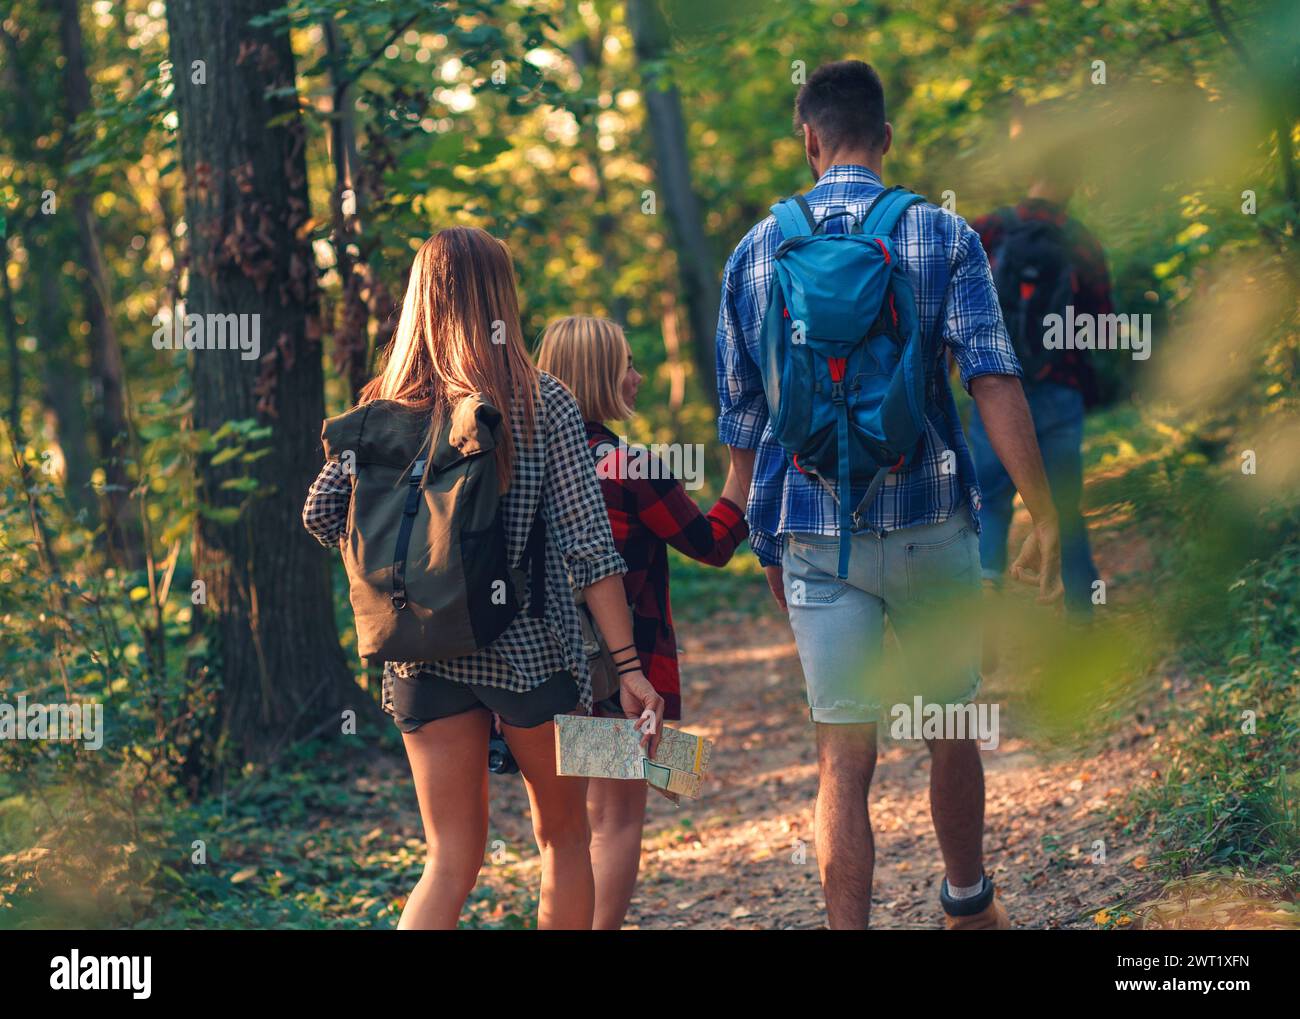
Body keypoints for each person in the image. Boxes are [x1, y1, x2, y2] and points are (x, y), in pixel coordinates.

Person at [715, 60, 1063, 930]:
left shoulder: (756, 251)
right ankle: (967, 901)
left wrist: (761, 541)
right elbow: (992, 378)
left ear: (809, 140)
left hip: (813, 534)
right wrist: (1041, 509)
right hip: (929, 524)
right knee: (950, 720)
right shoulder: (943, 236)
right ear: (887, 138)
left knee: (843, 752)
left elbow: (744, 422)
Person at [302, 227, 664, 930]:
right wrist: (627, 666)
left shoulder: (382, 406)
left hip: (418, 646)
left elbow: (320, 515)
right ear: (501, 297)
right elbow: (590, 548)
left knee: (450, 858)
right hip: (525, 648)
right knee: (564, 838)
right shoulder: (541, 400)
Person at [537, 315, 748, 929]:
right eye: (627, 365)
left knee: (560, 833)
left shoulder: (522, 467)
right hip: (619, 672)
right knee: (616, 819)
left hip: (538, 667)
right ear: (601, 377)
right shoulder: (630, 468)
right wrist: (743, 469)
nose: (638, 376)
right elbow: (710, 544)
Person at [968, 172, 1108, 617]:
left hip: (994, 391)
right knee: (1064, 504)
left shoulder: (987, 230)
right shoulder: (1082, 242)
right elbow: (1100, 325)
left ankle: (987, 596)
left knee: (990, 502)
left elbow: (955, 307)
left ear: (1030, 174)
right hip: (1058, 389)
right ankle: (1083, 613)